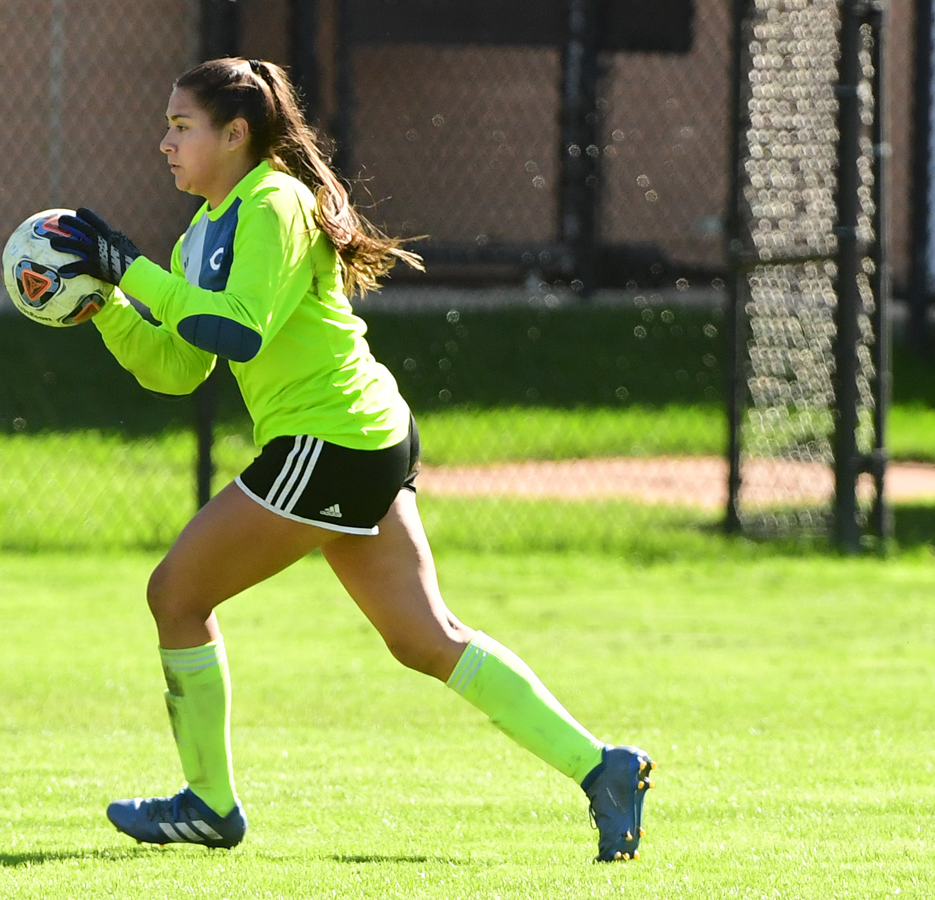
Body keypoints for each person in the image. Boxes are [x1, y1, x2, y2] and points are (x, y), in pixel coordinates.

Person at [45, 57, 654, 862]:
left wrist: (134, 270)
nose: (164, 143)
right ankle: (601, 767)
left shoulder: (275, 202)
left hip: (329, 442)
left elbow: (237, 331)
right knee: (425, 640)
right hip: (357, 436)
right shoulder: (203, 230)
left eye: (180, 126)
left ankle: (210, 804)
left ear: (236, 135)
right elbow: (181, 365)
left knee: (176, 593)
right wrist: (107, 306)